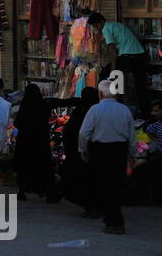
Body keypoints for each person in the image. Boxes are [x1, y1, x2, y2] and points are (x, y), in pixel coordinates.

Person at [78, 80, 137, 235]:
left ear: (101, 93)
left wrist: (83, 149)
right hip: (119, 150)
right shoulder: (124, 110)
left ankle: (115, 221)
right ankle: (112, 220)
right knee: (116, 186)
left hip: (101, 151)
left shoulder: (95, 110)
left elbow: (84, 133)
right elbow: (132, 135)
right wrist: (133, 154)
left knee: (105, 186)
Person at [88, 12, 148, 115]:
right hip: (140, 55)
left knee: (104, 75)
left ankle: (102, 104)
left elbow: (112, 49)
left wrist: (113, 69)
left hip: (129, 55)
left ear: (101, 22)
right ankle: (145, 112)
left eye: (95, 25)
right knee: (140, 86)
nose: (95, 28)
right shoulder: (115, 25)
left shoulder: (106, 29)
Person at [13, 83, 59, 202]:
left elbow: (17, 123)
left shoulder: (25, 106)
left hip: (25, 142)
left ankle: (22, 191)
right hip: (40, 142)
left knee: (24, 166)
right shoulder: (43, 105)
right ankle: (47, 192)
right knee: (42, 166)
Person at [60, 87, 100, 218]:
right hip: (96, 152)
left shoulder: (81, 111)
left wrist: (80, 150)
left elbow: (74, 133)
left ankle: (90, 208)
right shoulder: (96, 110)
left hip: (81, 153)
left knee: (84, 181)